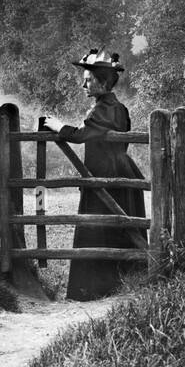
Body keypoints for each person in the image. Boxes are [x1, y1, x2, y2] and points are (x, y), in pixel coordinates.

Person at [45, 49, 146, 301]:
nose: (84, 85)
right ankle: (121, 283)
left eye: (88, 80)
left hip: (105, 174)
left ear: (102, 83)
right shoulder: (119, 108)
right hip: (122, 171)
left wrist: (57, 126)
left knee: (99, 227)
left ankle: (92, 290)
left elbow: (81, 135)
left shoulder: (101, 110)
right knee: (119, 226)